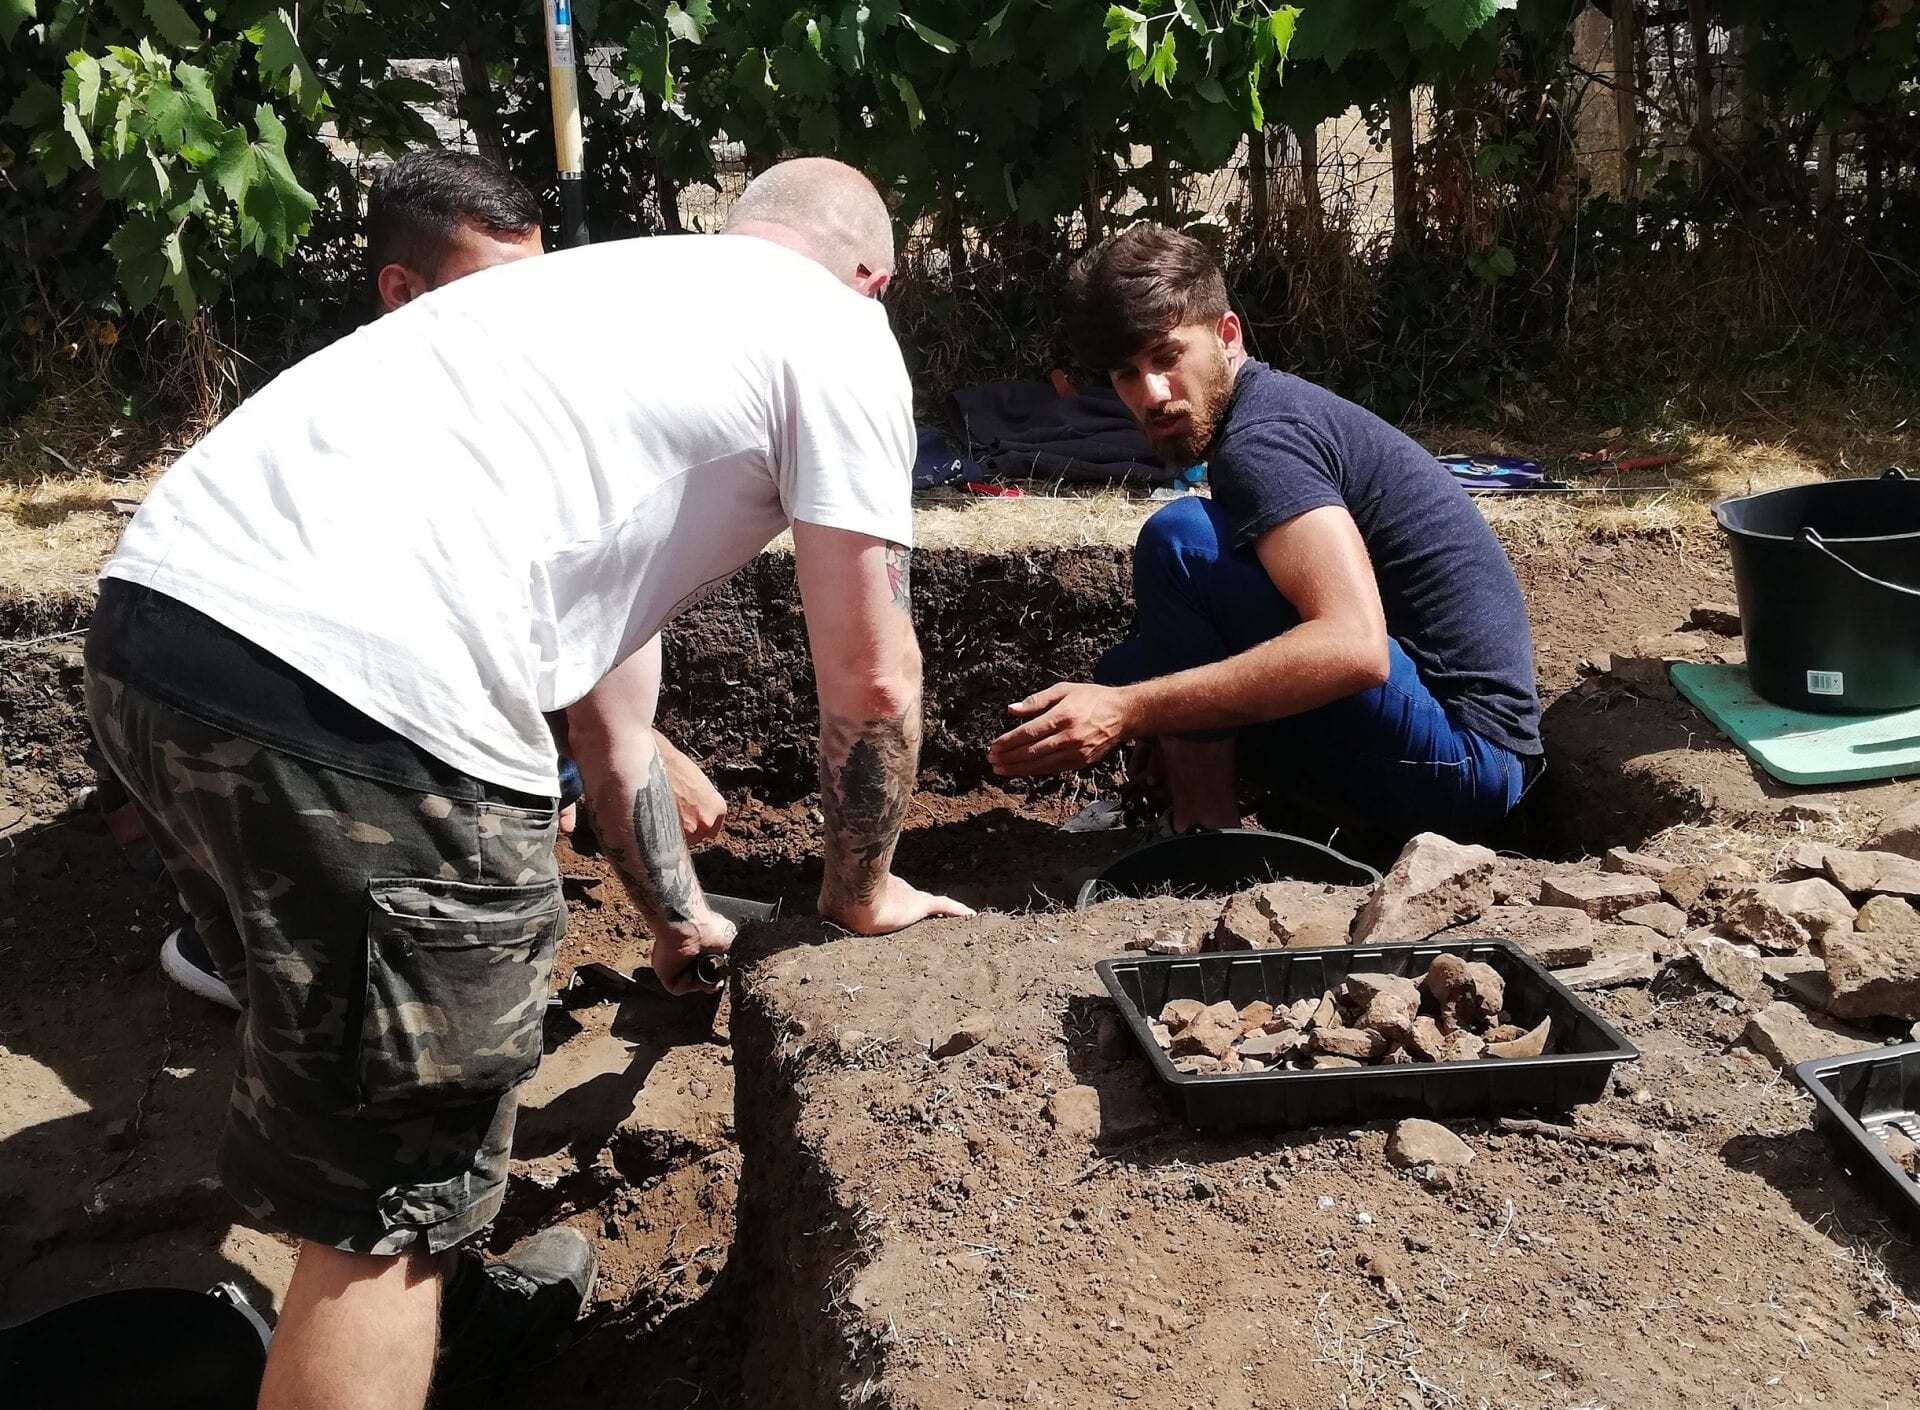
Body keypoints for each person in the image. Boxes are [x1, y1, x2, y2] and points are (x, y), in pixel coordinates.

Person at [87, 156, 969, 1410]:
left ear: (735, 231)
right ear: (876, 276)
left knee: (351, 1078)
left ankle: (433, 1307)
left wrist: (676, 919)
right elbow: (874, 687)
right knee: (384, 1197)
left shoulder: (604, 315)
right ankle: (390, 1311)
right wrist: (861, 891)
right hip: (365, 705)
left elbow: (612, 737)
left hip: (148, 638)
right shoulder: (839, 333)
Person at [150, 149, 728, 1009]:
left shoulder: (454, 401)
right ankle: (277, 956)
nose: (522, 321)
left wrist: (604, 760)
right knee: (463, 981)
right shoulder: (371, 432)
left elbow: (518, 623)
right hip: (255, 698)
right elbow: (385, 659)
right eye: (493, 293)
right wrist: (603, 770)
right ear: (401, 291)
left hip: (221, 683)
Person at [988, 224, 1543, 835]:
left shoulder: (1262, 442)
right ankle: (1199, 799)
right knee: (1139, 661)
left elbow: (1354, 647)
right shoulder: (1266, 412)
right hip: (1462, 750)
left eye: (1168, 357)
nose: (1151, 394)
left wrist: (1129, 711)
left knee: (1179, 544)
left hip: (1463, 763)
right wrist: (1147, 704)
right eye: (1126, 373)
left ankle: (1201, 838)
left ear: (1227, 335)